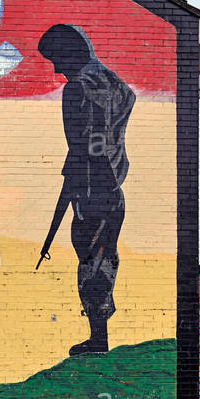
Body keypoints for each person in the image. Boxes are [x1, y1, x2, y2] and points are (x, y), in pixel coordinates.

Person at [36, 24, 136, 356]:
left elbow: (82, 149)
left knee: (90, 265)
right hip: (113, 191)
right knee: (106, 260)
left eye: (56, 59)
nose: (56, 69)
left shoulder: (77, 90)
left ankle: (98, 339)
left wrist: (78, 193)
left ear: (71, 53)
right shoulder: (118, 87)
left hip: (91, 192)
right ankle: (100, 335)